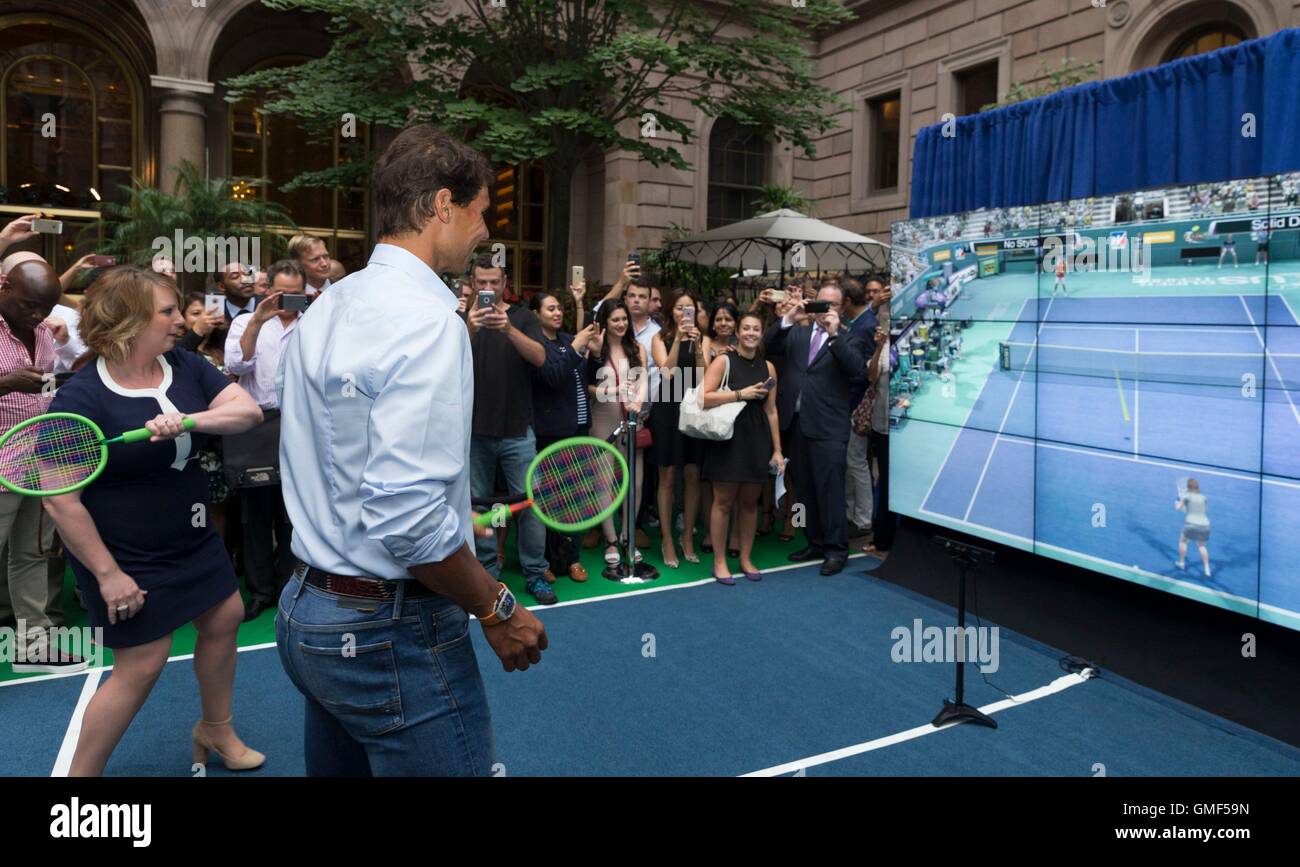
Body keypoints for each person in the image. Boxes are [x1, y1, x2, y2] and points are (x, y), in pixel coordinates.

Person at [276, 124, 547, 776]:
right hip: (389, 631)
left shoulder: (328, 306)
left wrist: (451, 518)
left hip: (309, 610)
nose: (486, 232)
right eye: (481, 214)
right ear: (443, 205)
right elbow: (408, 523)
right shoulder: (428, 322)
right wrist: (496, 604)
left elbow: (352, 467)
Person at [43, 266, 264, 774]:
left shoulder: (186, 367)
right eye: (166, 312)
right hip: (125, 555)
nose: (178, 321)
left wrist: (188, 421)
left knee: (224, 615)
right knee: (141, 663)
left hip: (192, 539)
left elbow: (246, 411)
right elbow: (60, 500)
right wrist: (108, 575)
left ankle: (216, 728)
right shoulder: (79, 399)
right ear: (128, 321)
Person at [0, 259, 79, 672]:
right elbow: (15, 385)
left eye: (45, 308)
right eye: (31, 305)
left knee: (31, 554)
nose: (37, 315)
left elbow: (42, 388)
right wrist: (7, 383)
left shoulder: (46, 333)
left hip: (35, 459)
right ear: (4, 285)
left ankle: (33, 645)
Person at [464, 254, 554, 603]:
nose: (488, 289)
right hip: (474, 431)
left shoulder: (523, 317)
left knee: (531, 505)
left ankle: (535, 572)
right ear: (472, 284)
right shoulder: (460, 319)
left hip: (517, 430)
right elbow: (444, 360)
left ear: (505, 284)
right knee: (478, 506)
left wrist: (507, 329)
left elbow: (540, 358)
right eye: (481, 283)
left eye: (494, 282)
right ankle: (486, 575)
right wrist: (470, 326)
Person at [763, 285, 867, 575]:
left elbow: (858, 370)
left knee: (830, 489)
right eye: (821, 303)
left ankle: (836, 549)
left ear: (842, 308)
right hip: (794, 424)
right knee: (805, 489)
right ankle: (814, 541)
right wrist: (788, 319)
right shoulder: (797, 332)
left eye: (832, 304)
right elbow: (768, 345)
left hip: (828, 426)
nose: (826, 309)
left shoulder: (850, 338)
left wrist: (834, 335)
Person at [224, 259, 305, 621]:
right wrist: (258, 320)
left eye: (296, 294)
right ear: (267, 289)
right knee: (255, 516)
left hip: (299, 425)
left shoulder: (313, 323)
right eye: (282, 293)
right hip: (256, 424)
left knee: (294, 514)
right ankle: (260, 591)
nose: (288, 300)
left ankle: (291, 587)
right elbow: (236, 366)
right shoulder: (245, 321)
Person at [698, 312, 782, 584]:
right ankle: (720, 562)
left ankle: (745, 558)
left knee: (749, 503)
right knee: (722, 502)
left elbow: (771, 411)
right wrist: (739, 394)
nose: (750, 333)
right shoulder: (723, 361)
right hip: (727, 437)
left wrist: (777, 450)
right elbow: (703, 398)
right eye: (746, 328)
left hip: (757, 439)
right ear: (738, 331)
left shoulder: (768, 367)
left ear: (761, 333)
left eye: (756, 329)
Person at [529, 289, 598, 582]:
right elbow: (553, 376)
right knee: (547, 500)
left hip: (579, 428)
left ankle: (573, 558)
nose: (557, 313)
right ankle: (544, 560)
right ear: (536, 315)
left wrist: (593, 350)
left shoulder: (570, 340)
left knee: (575, 497)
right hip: (549, 431)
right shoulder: (534, 346)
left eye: (559, 308)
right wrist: (575, 349)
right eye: (551, 309)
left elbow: (583, 370)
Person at [587, 299, 648, 566]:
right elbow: (586, 387)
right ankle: (611, 540)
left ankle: (627, 537)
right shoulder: (595, 348)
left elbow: (643, 379)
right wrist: (612, 391)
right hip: (602, 420)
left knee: (634, 483)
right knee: (604, 484)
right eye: (615, 320)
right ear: (605, 323)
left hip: (633, 421)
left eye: (624, 319)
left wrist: (638, 402)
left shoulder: (637, 348)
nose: (621, 324)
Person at [649, 290, 706, 567]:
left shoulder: (701, 338)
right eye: (680, 307)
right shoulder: (659, 338)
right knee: (668, 475)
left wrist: (695, 345)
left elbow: (703, 375)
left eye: (690, 307)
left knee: (693, 473)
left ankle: (687, 538)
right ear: (671, 311)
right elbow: (667, 372)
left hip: (692, 408)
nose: (684, 311)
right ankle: (667, 539)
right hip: (667, 408)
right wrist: (680, 340)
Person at [699, 300, 742, 556]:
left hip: (738, 417)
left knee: (736, 480)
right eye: (719, 319)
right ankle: (709, 531)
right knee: (710, 481)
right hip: (710, 420)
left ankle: (735, 535)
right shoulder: (707, 344)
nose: (723, 323)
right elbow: (702, 376)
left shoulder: (746, 344)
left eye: (728, 319)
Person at [862, 298, 895, 561]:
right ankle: (882, 539)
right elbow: (871, 377)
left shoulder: (904, 339)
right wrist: (878, 348)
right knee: (884, 484)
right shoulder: (881, 347)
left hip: (904, 428)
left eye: (887, 317)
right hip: (882, 426)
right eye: (881, 318)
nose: (883, 322)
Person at [1174, 479, 1211, 577]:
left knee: (1183, 541)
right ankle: (1207, 569)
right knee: (1201, 546)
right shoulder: (1204, 497)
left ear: (1188, 487)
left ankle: (1182, 563)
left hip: (1190, 525)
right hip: (1205, 525)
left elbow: (1178, 508)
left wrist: (1178, 499)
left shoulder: (1186, 497)